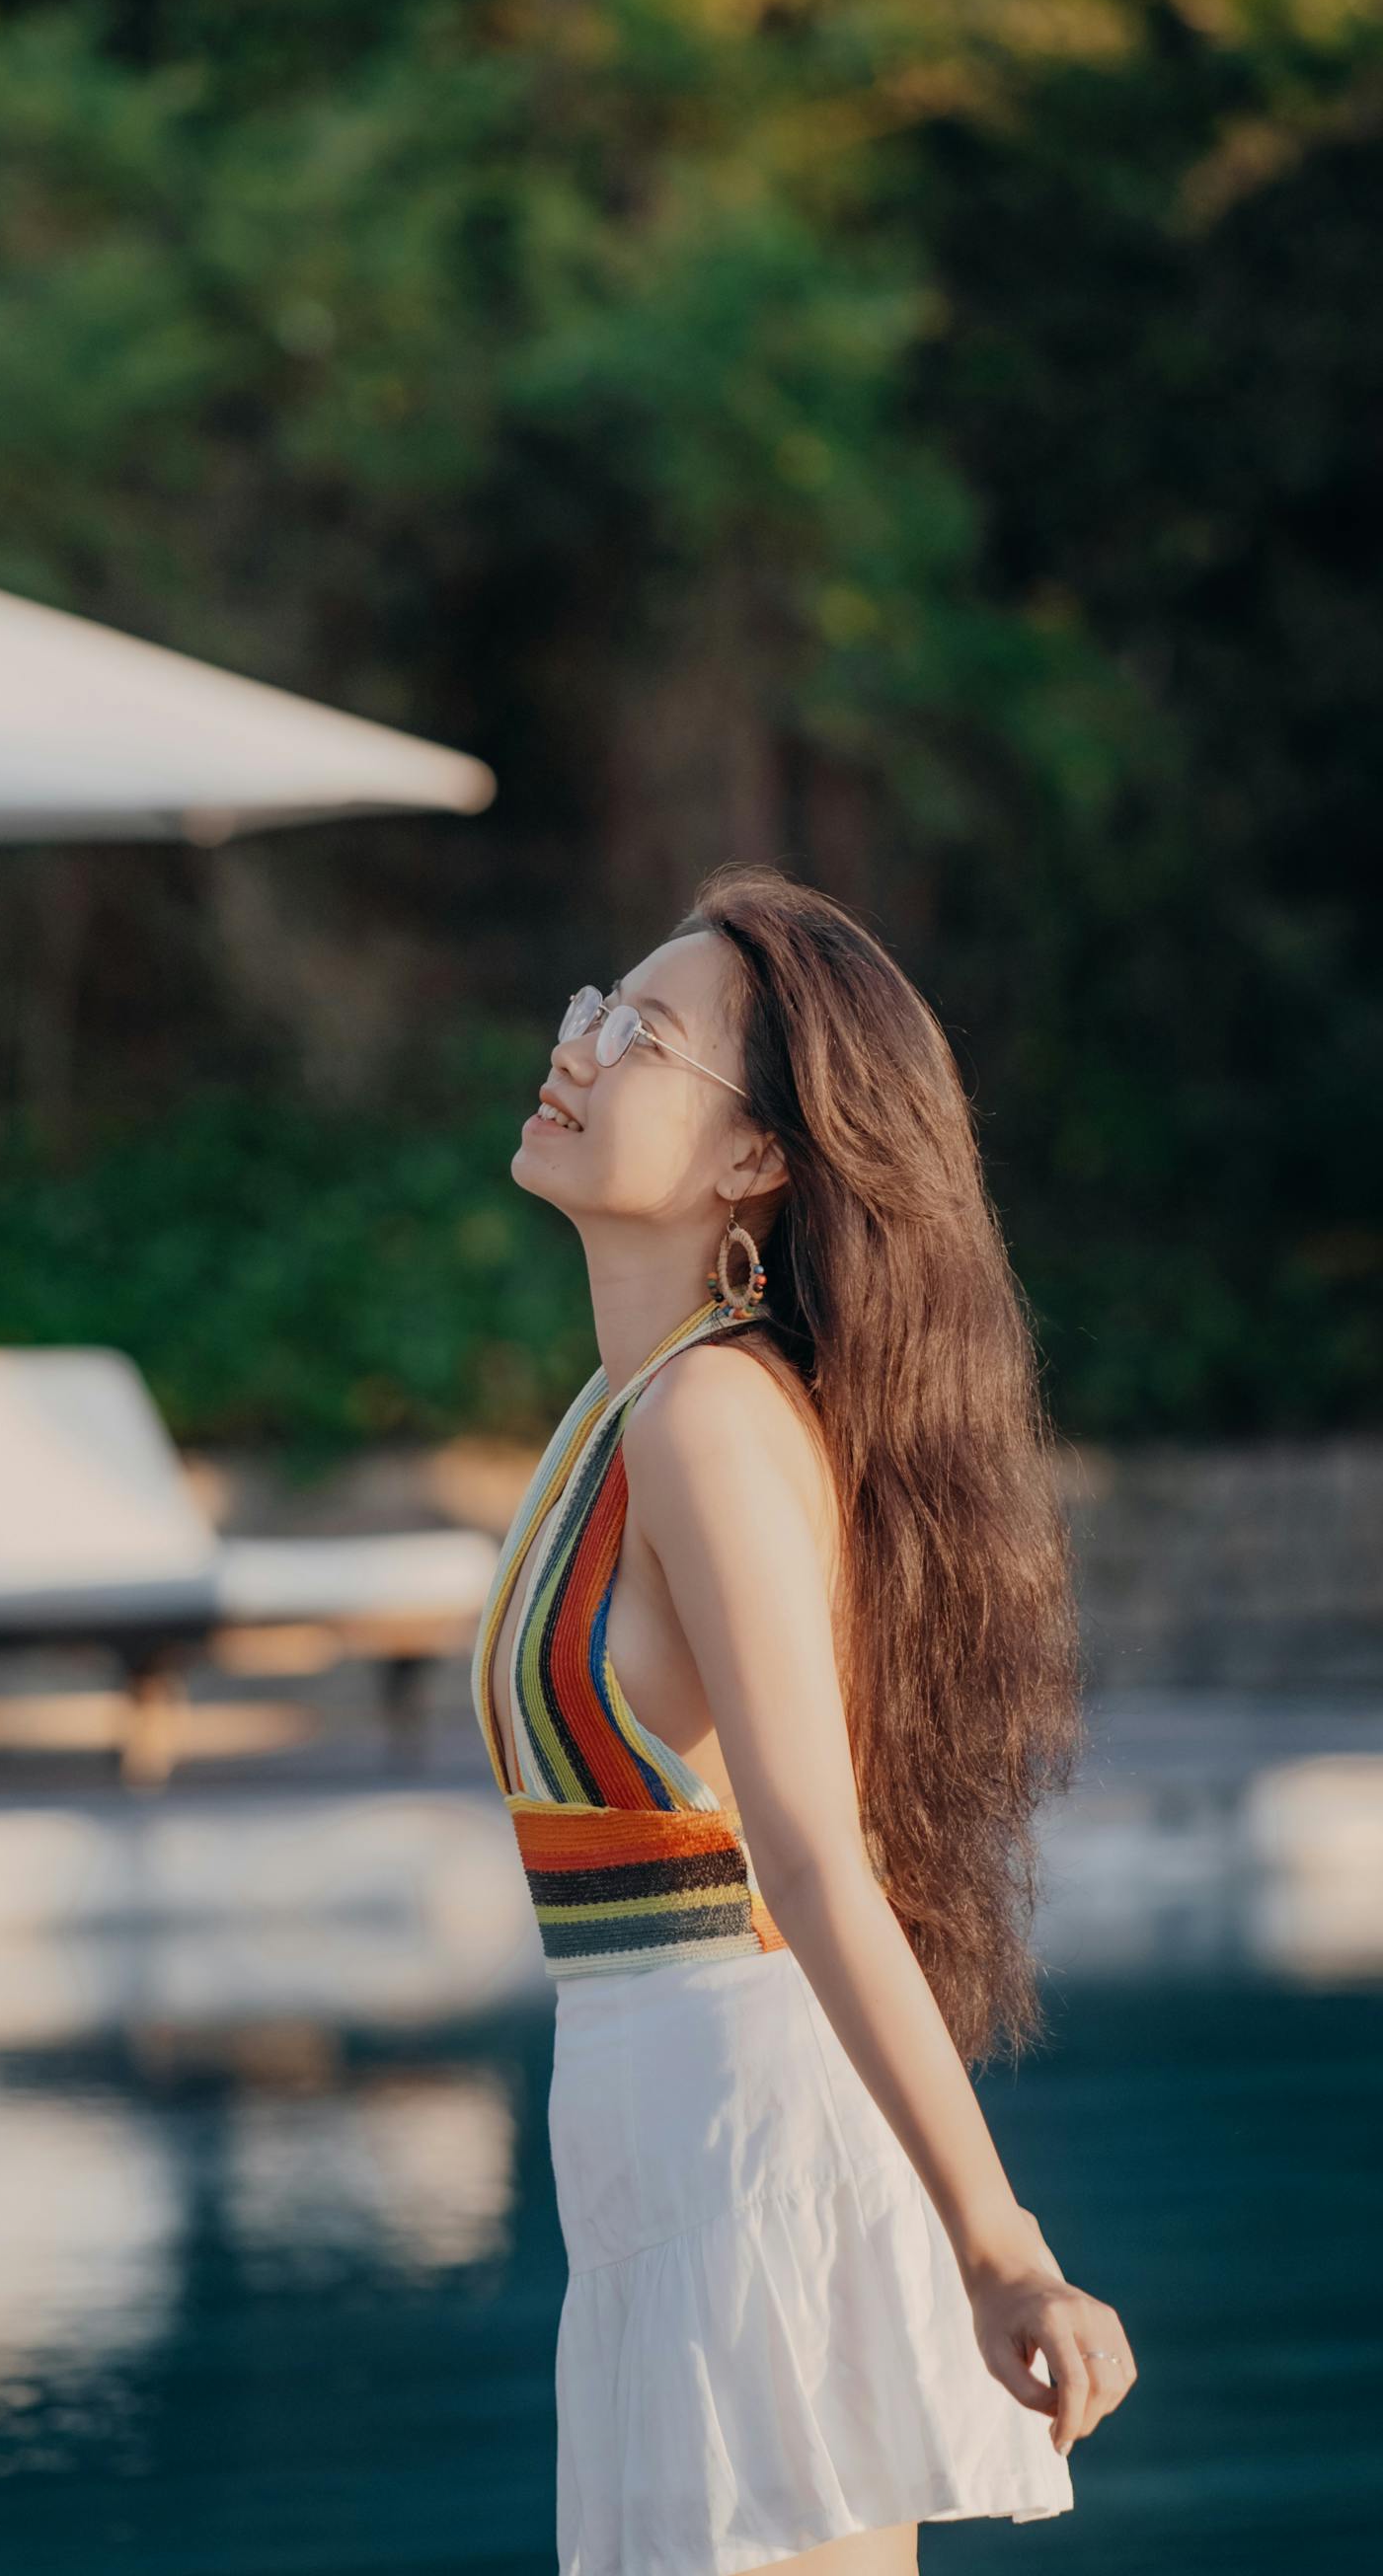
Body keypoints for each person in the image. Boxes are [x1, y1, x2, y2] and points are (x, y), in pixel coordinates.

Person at [472, 863, 1135, 2575]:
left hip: (748, 2142)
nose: (582, 1047)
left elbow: (817, 1862)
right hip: (653, 2135)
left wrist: (999, 2246)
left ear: (758, 1156)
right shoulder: (617, 1414)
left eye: (646, 1036)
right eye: (591, 1010)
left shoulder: (708, 1416)